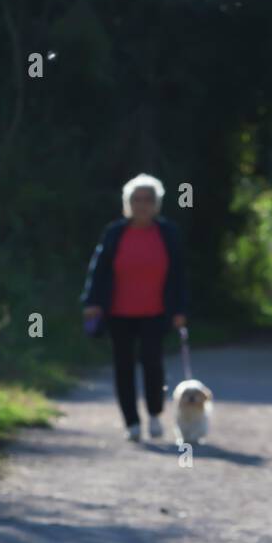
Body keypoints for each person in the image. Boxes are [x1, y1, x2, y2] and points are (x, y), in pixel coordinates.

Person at [81, 173, 188, 441]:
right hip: (118, 312)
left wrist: (179, 309)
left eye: (147, 199)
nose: (142, 204)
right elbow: (99, 269)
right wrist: (92, 302)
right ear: (128, 202)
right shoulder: (115, 232)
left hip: (155, 312)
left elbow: (178, 274)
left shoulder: (168, 233)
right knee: (123, 367)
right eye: (136, 199)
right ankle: (131, 422)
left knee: (153, 364)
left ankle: (154, 413)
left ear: (156, 204)